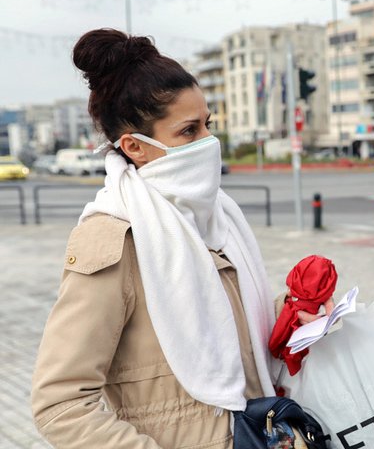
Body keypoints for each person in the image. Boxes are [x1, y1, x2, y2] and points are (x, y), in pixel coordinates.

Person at [31, 28, 277, 448]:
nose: (209, 142)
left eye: (208, 125)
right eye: (188, 131)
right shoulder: (113, 238)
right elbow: (60, 403)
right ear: (135, 146)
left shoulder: (217, 217)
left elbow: (226, 330)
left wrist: (293, 312)